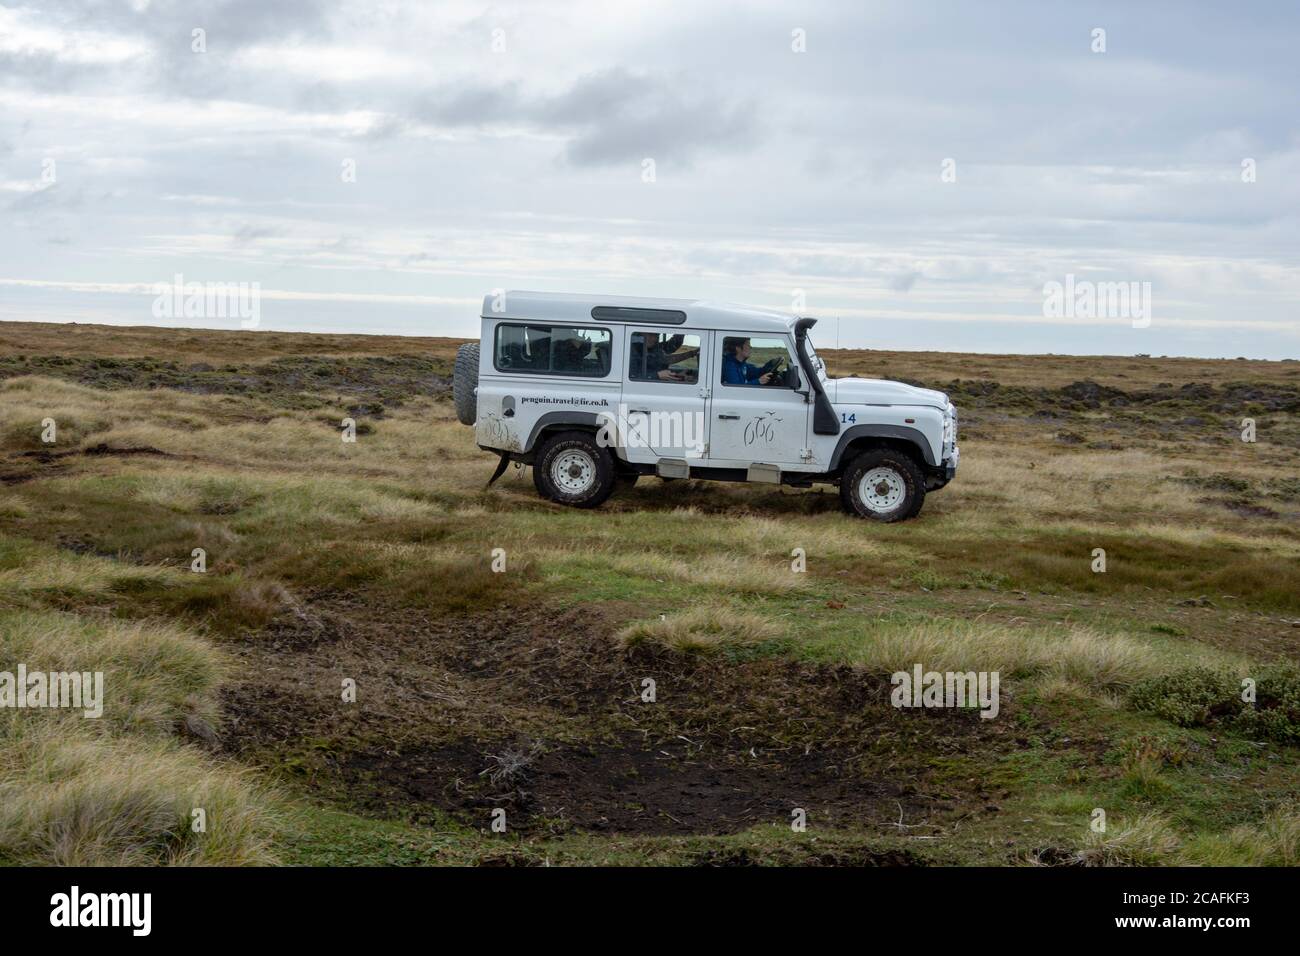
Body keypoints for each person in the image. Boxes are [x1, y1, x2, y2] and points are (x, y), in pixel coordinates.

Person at [630, 332, 699, 382]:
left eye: (657, 335)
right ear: (641, 334)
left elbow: (674, 344)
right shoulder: (633, 350)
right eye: (651, 335)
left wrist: (677, 376)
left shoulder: (654, 347)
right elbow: (633, 376)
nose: (655, 339)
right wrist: (657, 375)